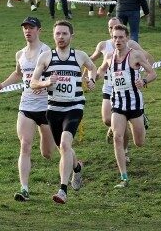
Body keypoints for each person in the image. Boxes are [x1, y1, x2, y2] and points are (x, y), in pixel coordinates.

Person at [29, 20, 97, 204]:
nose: (61, 37)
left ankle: (62, 190)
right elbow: (32, 82)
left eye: (64, 33)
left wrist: (92, 80)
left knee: (66, 145)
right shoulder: (45, 57)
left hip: (74, 107)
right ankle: (77, 168)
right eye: (58, 33)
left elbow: (92, 68)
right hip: (53, 109)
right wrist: (46, 83)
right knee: (64, 150)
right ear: (53, 36)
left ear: (71, 36)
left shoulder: (80, 56)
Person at [0, 17, 55, 202]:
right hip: (26, 106)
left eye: (31, 28)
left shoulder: (47, 52)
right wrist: (2, 84)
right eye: (25, 28)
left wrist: (45, 82)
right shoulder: (20, 54)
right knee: (25, 145)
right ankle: (24, 188)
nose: (28, 31)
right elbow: (19, 73)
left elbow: (53, 75)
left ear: (39, 30)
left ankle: (76, 166)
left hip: (47, 107)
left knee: (48, 152)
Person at [97, 24, 157, 187]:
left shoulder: (135, 55)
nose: (117, 40)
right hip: (117, 103)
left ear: (127, 38)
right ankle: (124, 177)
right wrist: (92, 78)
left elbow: (152, 73)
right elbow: (101, 70)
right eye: (115, 37)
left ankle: (142, 119)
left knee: (139, 143)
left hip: (134, 103)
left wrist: (143, 80)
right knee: (117, 137)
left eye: (121, 37)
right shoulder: (109, 56)